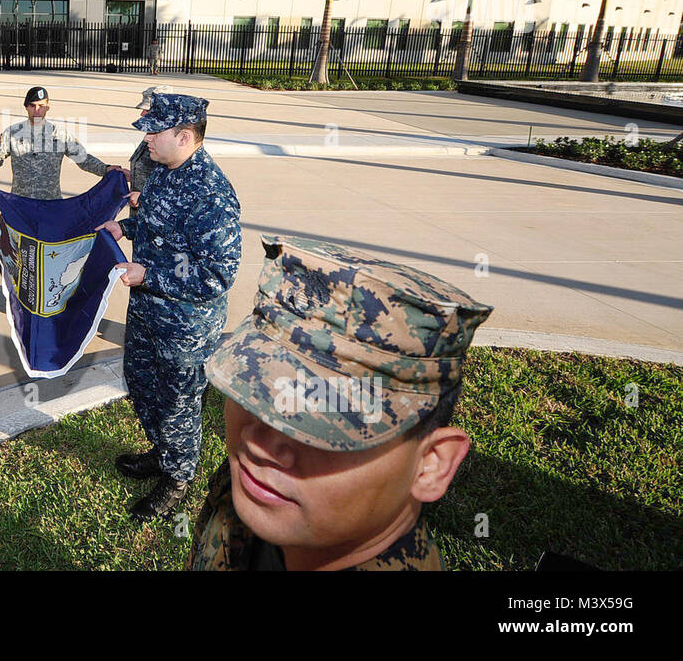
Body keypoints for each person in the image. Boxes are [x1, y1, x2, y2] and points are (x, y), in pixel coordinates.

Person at [187, 236, 493, 571]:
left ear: (431, 465)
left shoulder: (270, 488)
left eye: (325, 422)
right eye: (258, 390)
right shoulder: (255, 493)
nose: (257, 443)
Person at [97, 93, 242, 520]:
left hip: (185, 325)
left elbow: (218, 275)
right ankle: (162, 453)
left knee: (178, 400)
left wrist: (150, 277)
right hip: (147, 313)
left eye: (154, 132)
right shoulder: (164, 172)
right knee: (141, 383)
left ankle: (177, 478)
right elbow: (153, 221)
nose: (147, 140)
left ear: (184, 136)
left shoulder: (212, 194)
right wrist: (123, 227)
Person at [0, 85, 125, 200]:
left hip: (51, 204)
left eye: (41, 106)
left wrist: (105, 169)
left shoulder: (60, 135)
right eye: (32, 105)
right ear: (26, 107)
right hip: (20, 204)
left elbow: (83, 159)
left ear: (48, 107)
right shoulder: (11, 133)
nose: (37, 110)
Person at [127, 84, 174, 214]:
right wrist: (132, 175)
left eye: (147, 110)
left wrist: (144, 197)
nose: (142, 114)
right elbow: (154, 173)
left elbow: (175, 191)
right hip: (142, 219)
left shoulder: (172, 146)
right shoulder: (153, 135)